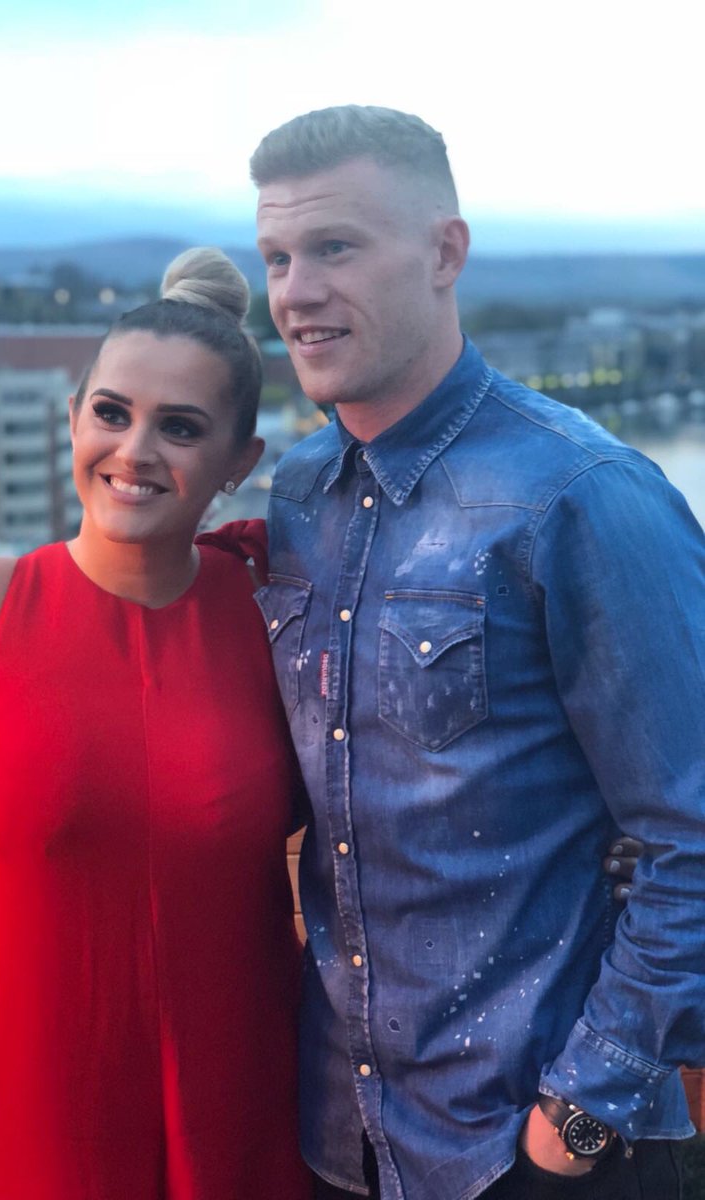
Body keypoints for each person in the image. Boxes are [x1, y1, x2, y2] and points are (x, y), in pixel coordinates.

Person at [250, 105, 705, 1200]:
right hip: (347, 1141)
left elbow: (694, 832)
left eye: (335, 246)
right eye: (277, 257)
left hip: (539, 1151)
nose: (298, 291)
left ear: (445, 253)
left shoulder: (581, 495)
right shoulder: (301, 497)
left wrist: (579, 1119)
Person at [0, 248, 313, 1200]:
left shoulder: (275, 617)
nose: (134, 451)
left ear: (239, 463)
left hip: (242, 1112)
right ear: (72, 418)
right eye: (111, 412)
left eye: (180, 427)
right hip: (1, 1118)